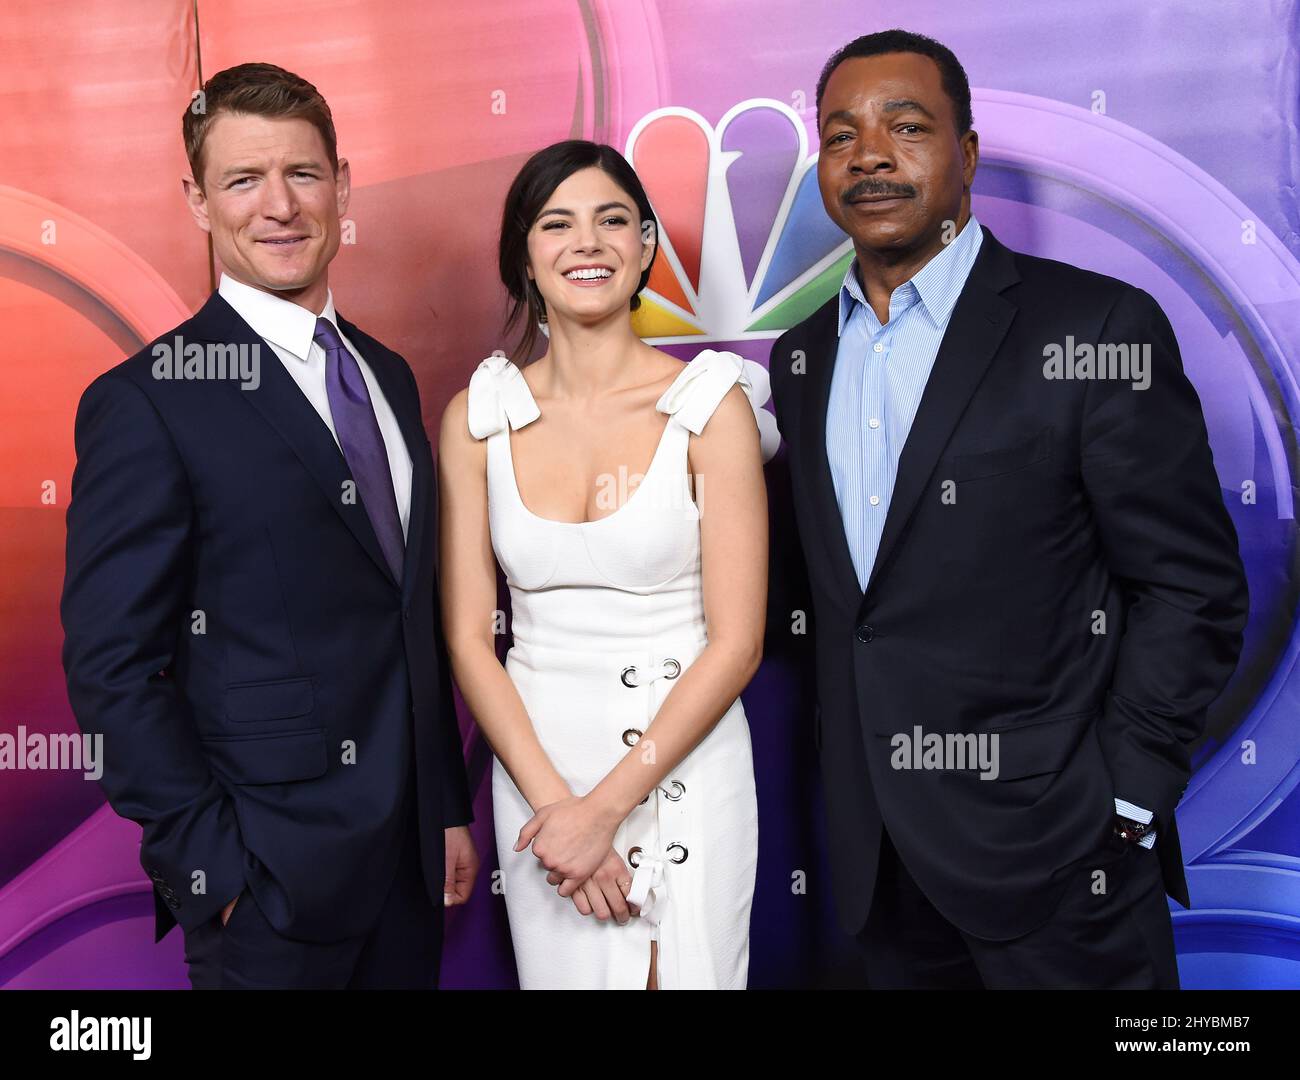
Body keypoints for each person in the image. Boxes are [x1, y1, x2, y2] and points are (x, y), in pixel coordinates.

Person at [768, 30, 1249, 989]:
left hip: (1066, 862)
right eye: (840, 135)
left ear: (969, 154)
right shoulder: (801, 356)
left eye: (907, 127)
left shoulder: (1094, 329)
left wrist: (1128, 799)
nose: (869, 154)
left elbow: (1192, 586)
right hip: (877, 874)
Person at [59, 62, 478, 989]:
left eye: (303, 174)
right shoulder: (150, 400)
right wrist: (215, 875)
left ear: (342, 183)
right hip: (269, 892)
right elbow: (111, 667)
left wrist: (443, 806)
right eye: (244, 180)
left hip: (409, 871)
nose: (280, 206)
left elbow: (408, 622)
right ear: (199, 201)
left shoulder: (389, 375)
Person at [438, 140, 779, 989]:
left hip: (684, 767)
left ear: (646, 245)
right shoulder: (479, 416)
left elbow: (737, 645)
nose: (586, 244)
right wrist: (563, 812)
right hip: (538, 785)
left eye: (611, 221)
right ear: (524, 254)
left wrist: (607, 809)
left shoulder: (709, 406)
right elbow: (471, 641)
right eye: (557, 224)